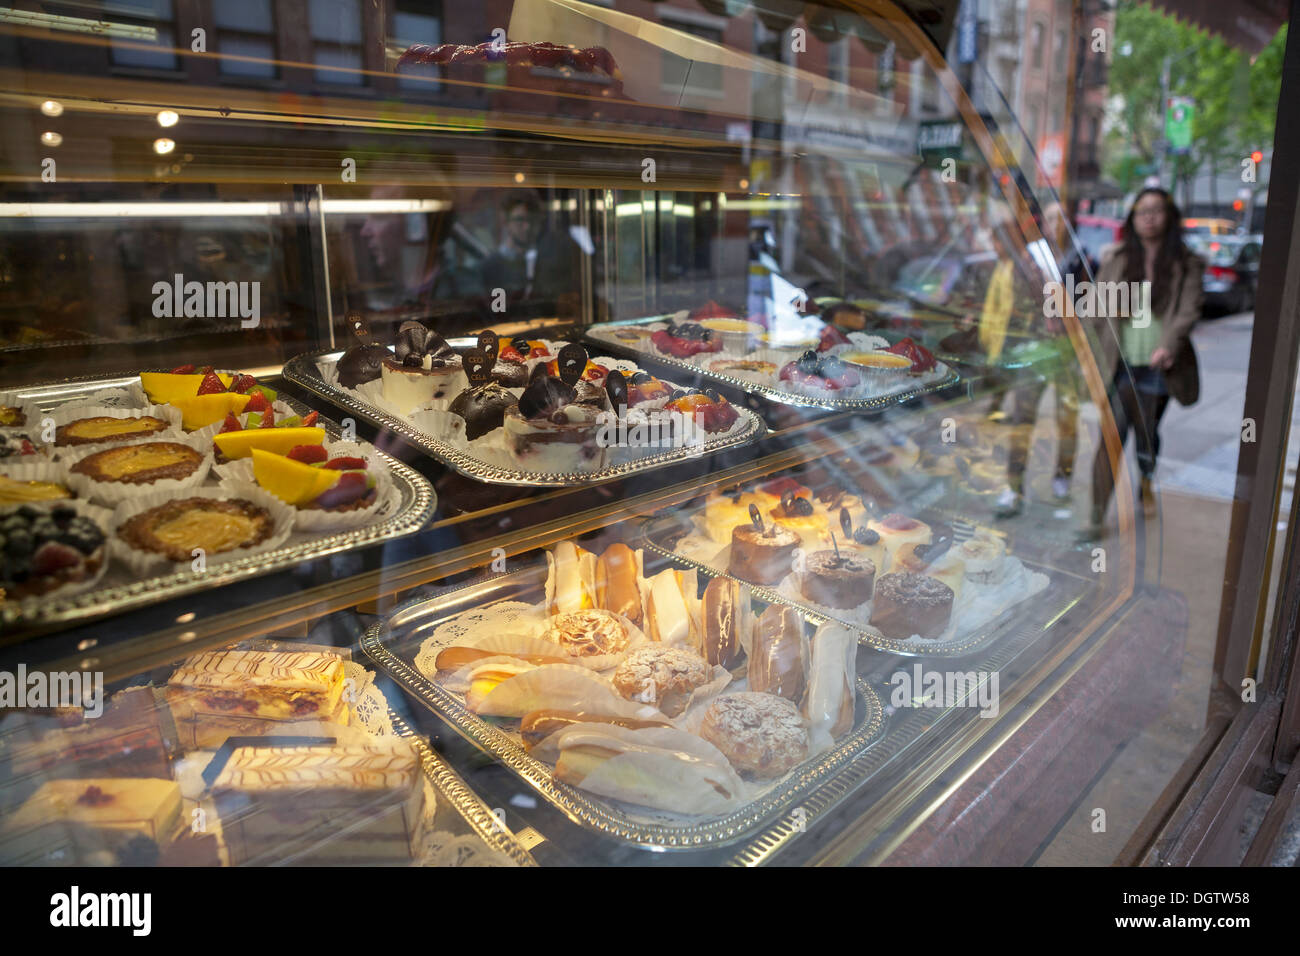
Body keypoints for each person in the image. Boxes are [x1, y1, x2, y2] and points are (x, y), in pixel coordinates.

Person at [1083, 187, 1204, 537]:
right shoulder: (1117, 257)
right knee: (1111, 438)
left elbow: (1188, 311)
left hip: (1160, 367)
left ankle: (1146, 482)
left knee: (1147, 436)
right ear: (1132, 219)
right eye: (1141, 211)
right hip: (1120, 363)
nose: (1148, 217)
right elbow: (1095, 308)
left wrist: (1168, 345)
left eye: (1156, 210)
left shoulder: (1187, 262)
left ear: (1169, 216)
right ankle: (1095, 514)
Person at [481, 192, 583, 318]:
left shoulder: (544, 260)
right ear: (506, 222)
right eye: (520, 220)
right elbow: (494, 312)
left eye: (531, 220)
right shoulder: (493, 265)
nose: (527, 227)